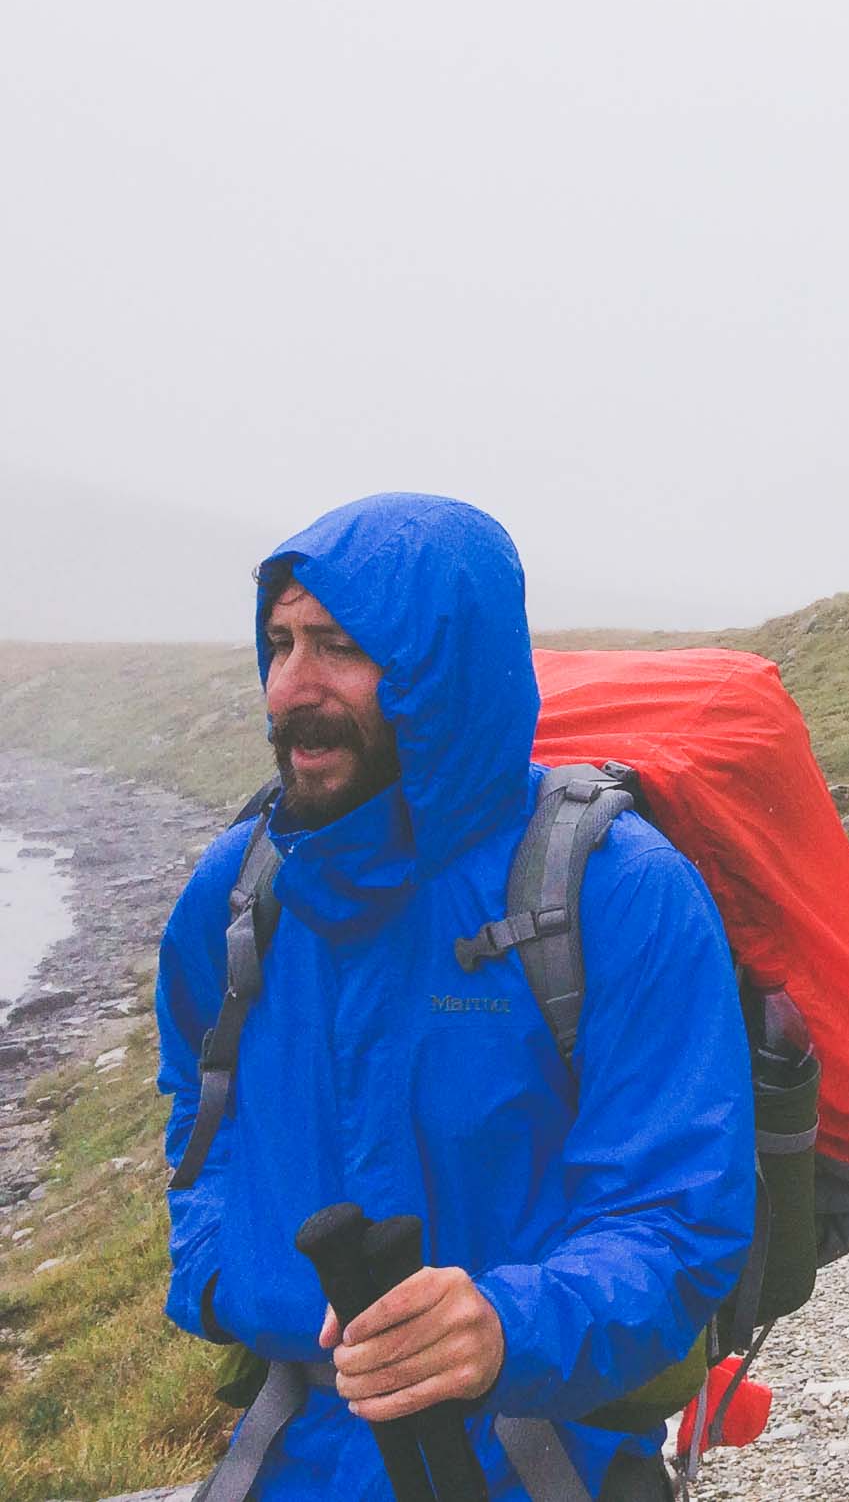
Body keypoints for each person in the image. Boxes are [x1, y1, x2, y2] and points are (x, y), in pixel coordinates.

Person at [156, 493, 756, 1498]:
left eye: (339, 645)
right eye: (280, 642)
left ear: (445, 671)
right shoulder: (237, 890)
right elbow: (196, 1114)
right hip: (288, 1457)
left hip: (547, 1458)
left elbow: (673, 1220)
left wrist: (504, 1326)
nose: (291, 689)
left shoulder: (614, 893)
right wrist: (222, 1277)